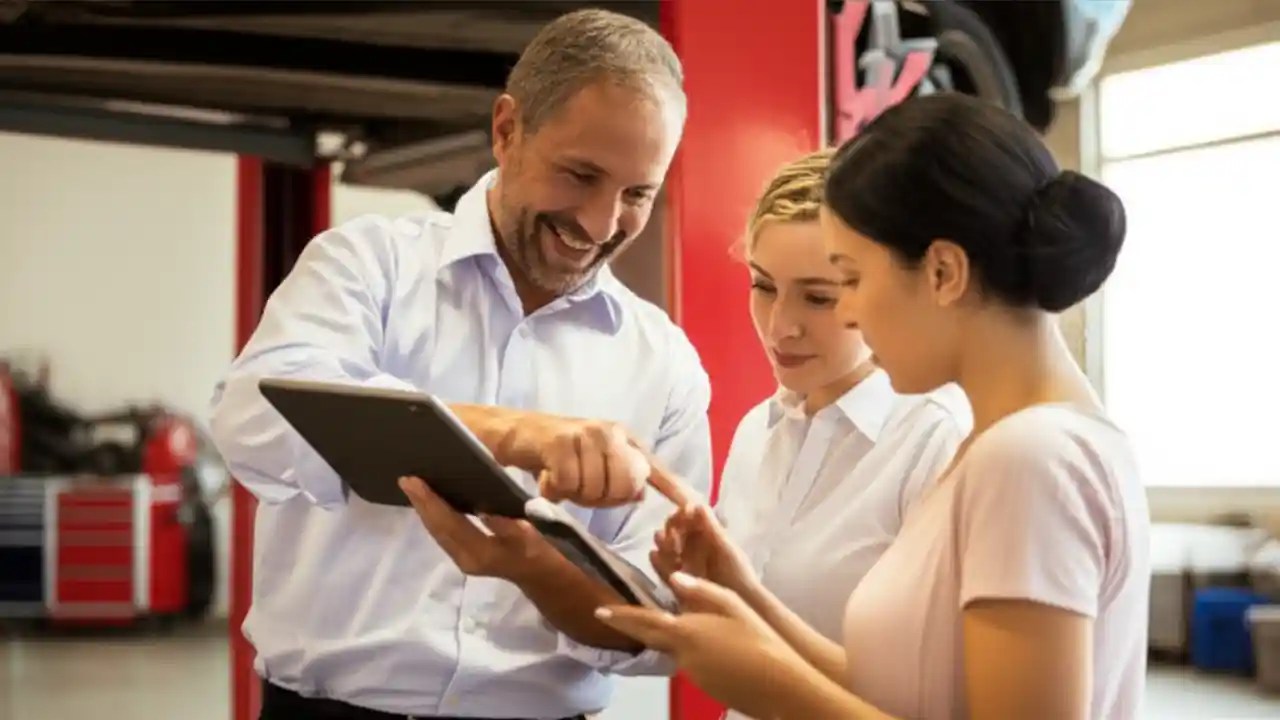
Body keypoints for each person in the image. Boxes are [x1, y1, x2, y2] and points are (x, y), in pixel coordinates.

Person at [209, 9, 709, 720]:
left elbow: (659, 628)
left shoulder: (664, 364)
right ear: (507, 130)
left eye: (637, 194)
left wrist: (539, 568)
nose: (602, 224)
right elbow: (254, 419)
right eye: (580, 175)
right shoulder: (369, 266)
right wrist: (517, 434)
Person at [596, 93, 1151, 720]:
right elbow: (913, 695)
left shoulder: (1030, 456)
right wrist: (748, 596)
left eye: (849, 280)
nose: (852, 313)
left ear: (942, 272)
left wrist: (772, 685)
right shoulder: (1022, 443)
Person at [668, 149, 968, 686]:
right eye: (763, 286)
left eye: (818, 298)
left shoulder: (934, 438)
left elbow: (939, 691)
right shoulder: (757, 430)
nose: (781, 326)